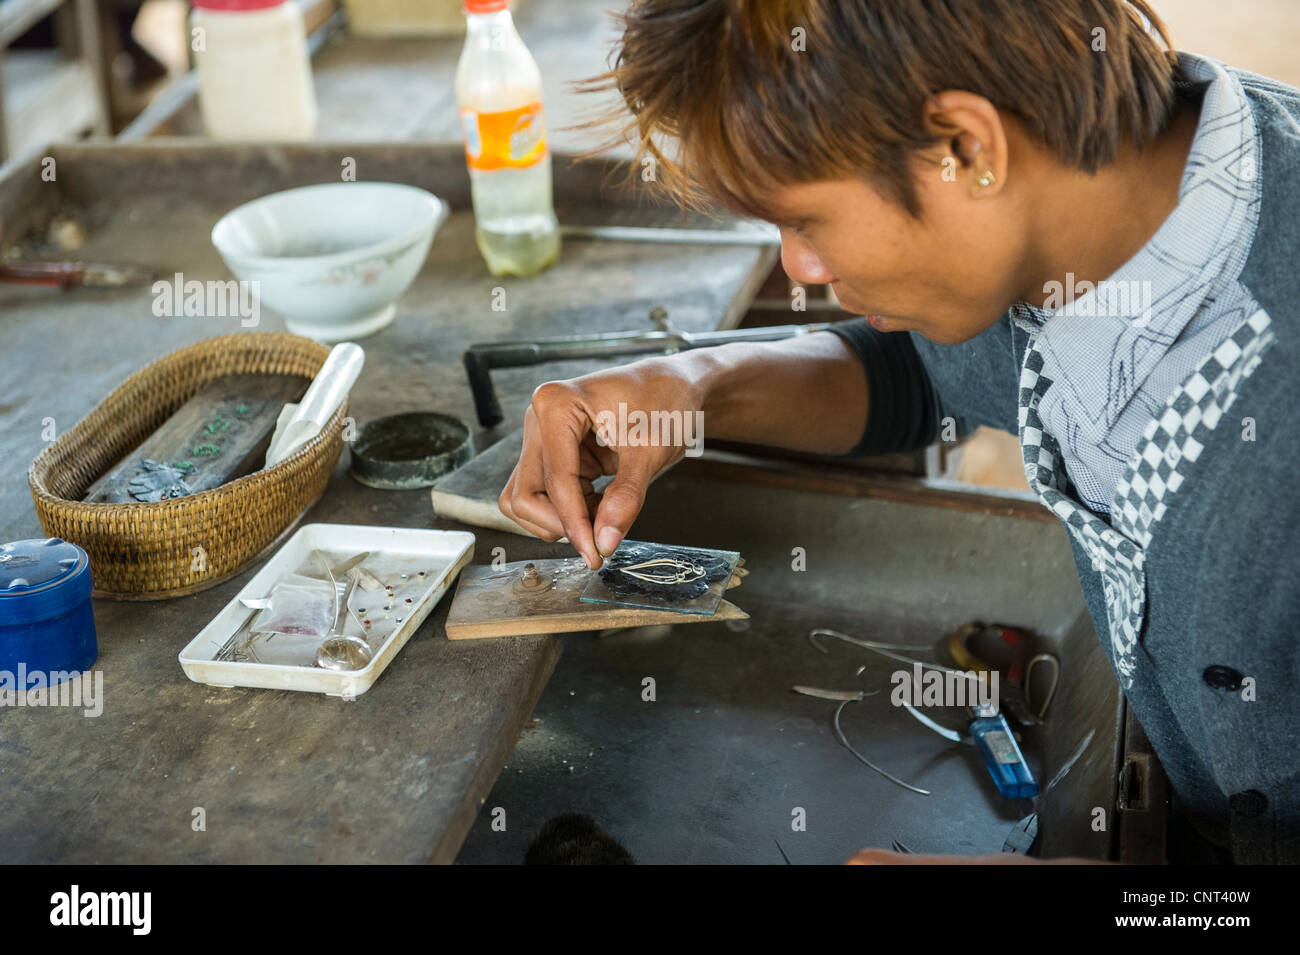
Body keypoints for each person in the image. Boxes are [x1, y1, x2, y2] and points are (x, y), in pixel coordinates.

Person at [498, 0, 1300, 864]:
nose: (797, 267)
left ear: (967, 148)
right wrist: (690, 386)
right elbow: (918, 372)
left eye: (805, 222)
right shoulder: (1112, 211)